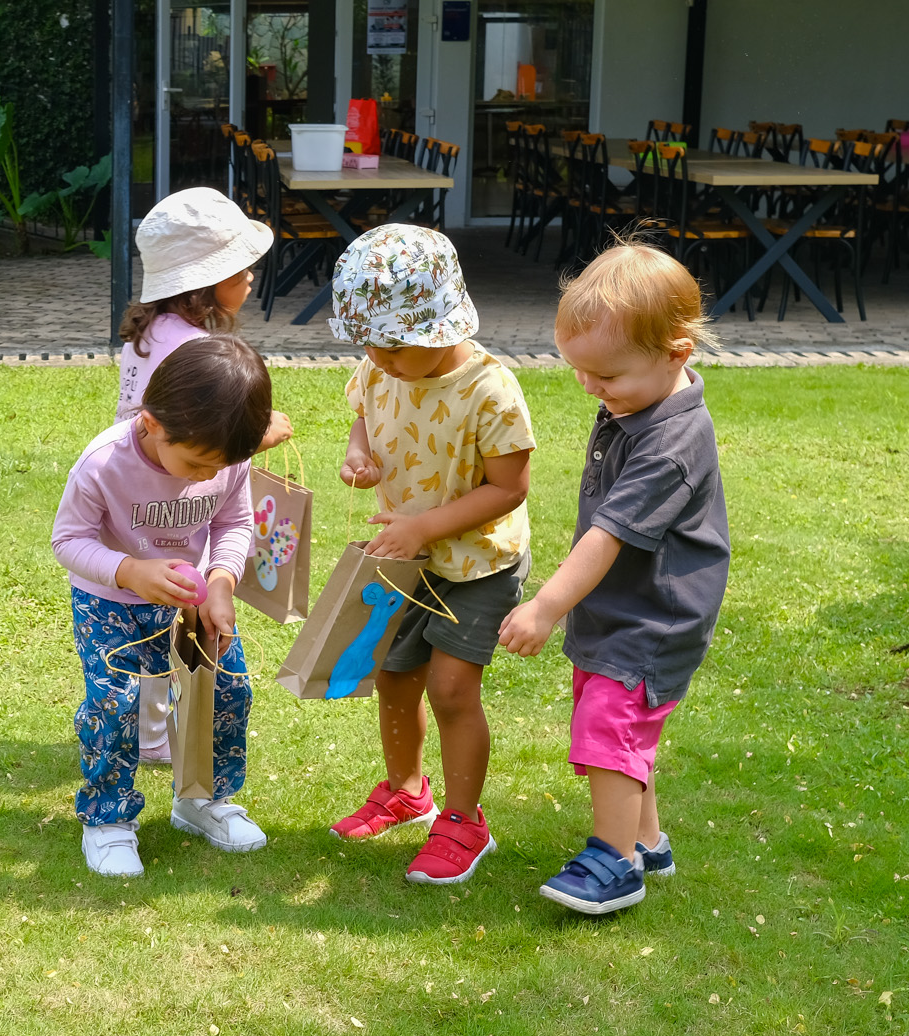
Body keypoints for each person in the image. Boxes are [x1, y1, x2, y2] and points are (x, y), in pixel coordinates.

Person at [501, 242, 729, 915]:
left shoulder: (671, 442)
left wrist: (546, 605)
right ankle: (648, 841)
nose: (593, 390)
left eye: (607, 377)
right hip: (620, 608)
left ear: (676, 352)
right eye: (581, 374)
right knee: (621, 730)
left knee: (608, 727)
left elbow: (607, 536)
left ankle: (615, 860)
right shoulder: (642, 397)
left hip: (654, 617)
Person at [325, 225, 535, 887]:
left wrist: (426, 526)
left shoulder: (490, 391)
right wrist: (360, 452)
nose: (376, 357)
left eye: (391, 344)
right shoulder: (381, 366)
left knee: (450, 688)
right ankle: (408, 790)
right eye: (368, 343)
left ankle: (466, 819)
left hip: (477, 562)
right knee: (392, 672)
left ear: (440, 328)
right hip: (407, 558)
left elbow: (510, 486)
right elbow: (365, 408)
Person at [53, 336, 274, 878]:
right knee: (116, 705)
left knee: (223, 692)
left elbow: (233, 523)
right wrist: (132, 571)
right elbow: (68, 540)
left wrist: (221, 581)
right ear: (151, 424)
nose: (206, 476)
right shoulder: (104, 464)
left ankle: (202, 800)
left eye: (218, 467)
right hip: (111, 604)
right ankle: (108, 819)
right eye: (197, 463)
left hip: (192, 602)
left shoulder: (226, 461)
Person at [115, 188, 287, 763]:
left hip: (138, 490)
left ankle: (150, 733)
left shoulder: (150, 332)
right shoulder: (195, 348)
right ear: (205, 282)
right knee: (171, 616)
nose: (250, 280)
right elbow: (207, 439)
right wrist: (266, 433)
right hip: (176, 498)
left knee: (156, 614)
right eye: (241, 270)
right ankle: (154, 736)